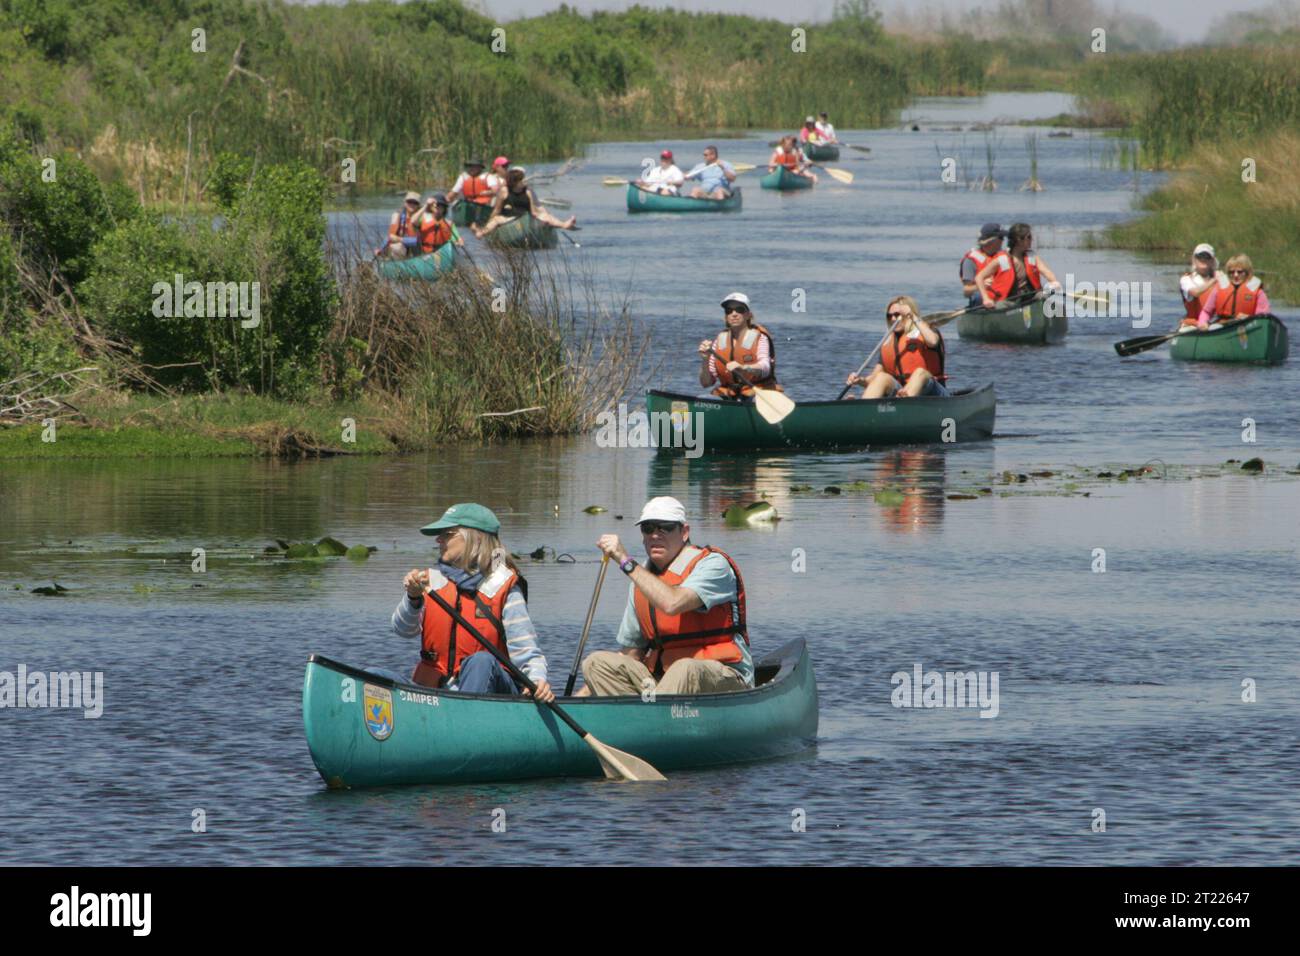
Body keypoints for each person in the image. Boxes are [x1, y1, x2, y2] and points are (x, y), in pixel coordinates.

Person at [579, 497, 752, 697]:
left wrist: (625, 561)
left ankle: (652, 718)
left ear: (684, 532)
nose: (655, 535)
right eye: (648, 528)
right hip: (663, 683)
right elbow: (632, 654)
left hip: (724, 676)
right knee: (596, 663)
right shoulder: (642, 579)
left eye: (665, 528)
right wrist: (576, 701)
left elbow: (672, 603)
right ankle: (640, 718)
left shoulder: (714, 565)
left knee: (684, 669)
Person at [391, 503, 553, 701]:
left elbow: (526, 648)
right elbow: (402, 630)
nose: (438, 539)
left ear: (475, 538)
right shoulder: (430, 580)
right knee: (373, 677)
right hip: (436, 693)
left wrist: (536, 680)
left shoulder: (504, 584)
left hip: (493, 694)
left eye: (447, 533)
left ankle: (464, 721)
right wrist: (413, 598)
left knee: (481, 661)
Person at [844, 295, 949, 399]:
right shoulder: (889, 342)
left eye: (897, 315)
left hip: (935, 393)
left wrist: (913, 316)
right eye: (889, 316)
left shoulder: (927, 332)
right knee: (881, 377)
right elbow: (874, 378)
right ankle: (863, 408)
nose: (893, 319)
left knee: (920, 372)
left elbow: (933, 341)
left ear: (908, 314)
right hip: (903, 393)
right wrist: (860, 380)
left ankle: (903, 403)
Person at [698, 291, 782, 398]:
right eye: (729, 310)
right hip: (729, 394)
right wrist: (705, 360)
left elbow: (765, 368)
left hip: (757, 393)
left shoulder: (760, 338)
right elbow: (706, 383)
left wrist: (744, 367)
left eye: (739, 309)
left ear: (748, 315)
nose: (734, 314)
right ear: (726, 317)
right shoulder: (719, 341)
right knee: (702, 399)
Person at [472, 166, 576, 238]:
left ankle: (565, 224)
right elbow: (497, 210)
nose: (524, 181)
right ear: (515, 182)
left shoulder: (528, 191)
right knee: (496, 220)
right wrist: (490, 220)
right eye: (521, 180)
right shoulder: (504, 191)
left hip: (525, 218)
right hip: (509, 218)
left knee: (546, 216)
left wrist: (544, 217)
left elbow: (534, 211)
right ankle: (482, 232)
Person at [975, 222, 1060, 308]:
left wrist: (1054, 282)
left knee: (1044, 296)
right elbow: (979, 278)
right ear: (1019, 240)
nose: (1032, 240)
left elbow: (1046, 272)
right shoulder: (1001, 259)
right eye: (1029, 237)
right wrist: (986, 298)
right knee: (1000, 306)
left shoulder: (1032, 256)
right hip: (1009, 300)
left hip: (1031, 297)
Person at [1195, 253, 1270, 329]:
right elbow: (1206, 311)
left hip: (1248, 325)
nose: (1235, 275)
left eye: (1239, 272)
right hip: (1222, 326)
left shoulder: (1258, 292)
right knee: (1214, 327)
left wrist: (1249, 318)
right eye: (1231, 272)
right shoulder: (1219, 288)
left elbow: (1262, 318)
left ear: (1247, 273)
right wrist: (1202, 323)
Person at [1178, 243, 1224, 329]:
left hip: (1216, 324)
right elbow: (1195, 292)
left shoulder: (1222, 277)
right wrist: (1214, 280)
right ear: (1194, 260)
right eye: (1200, 256)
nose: (1203, 259)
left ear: (1212, 261)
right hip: (1193, 325)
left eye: (1207, 257)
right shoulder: (1186, 279)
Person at [960, 223, 1005, 307]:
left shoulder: (1004, 257)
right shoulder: (970, 261)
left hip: (1002, 296)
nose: (1003, 240)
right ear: (991, 241)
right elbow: (966, 291)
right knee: (978, 297)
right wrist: (981, 285)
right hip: (982, 301)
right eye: (1001, 238)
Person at [380, 191, 423, 258]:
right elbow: (390, 237)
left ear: (418, 205)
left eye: (415, 203)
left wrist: (399, 239)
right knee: (396, 248)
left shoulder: (422, 217)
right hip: (403, 248)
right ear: (405, 203)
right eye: (409, 202)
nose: (412, 204)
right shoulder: (397, 216)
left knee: (398, 247)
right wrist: (381, 249)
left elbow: (418, 241)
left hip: (417, 249)